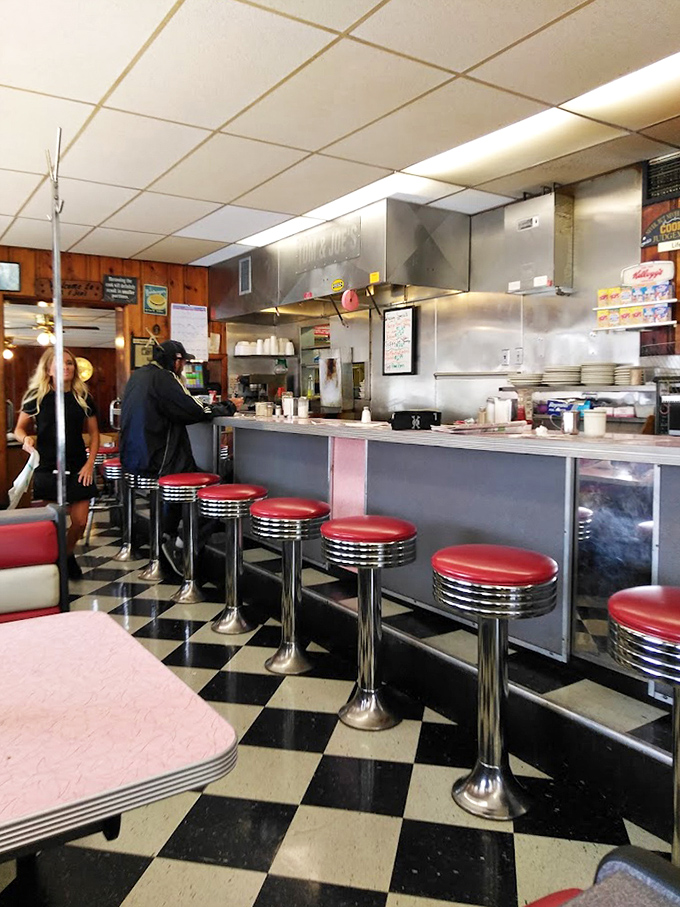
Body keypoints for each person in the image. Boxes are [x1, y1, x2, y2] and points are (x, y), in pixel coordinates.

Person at [119, 339, 235, 572]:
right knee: (217, 491)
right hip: (158, 459)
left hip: (133, 460)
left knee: (181, 481)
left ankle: (165, 536)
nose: (183, 367)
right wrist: (228, 406)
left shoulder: (138, 376)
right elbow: (193, 410)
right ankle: (183, 545)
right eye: (183, 362)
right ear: (177, 360)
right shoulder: (165, 377)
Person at [14, 348, 100, 580]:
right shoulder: (36, 396)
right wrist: (26, 439)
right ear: (48, 369)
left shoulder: (83, 396)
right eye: (61, 364)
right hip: (48, 463)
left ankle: (65, 553)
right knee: (57, 521)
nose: (67, 367)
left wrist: (89, 464)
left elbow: (94, 434)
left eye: (70, 363)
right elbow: (19, 429)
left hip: (78, 463)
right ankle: (64, 560)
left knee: (80, 521)